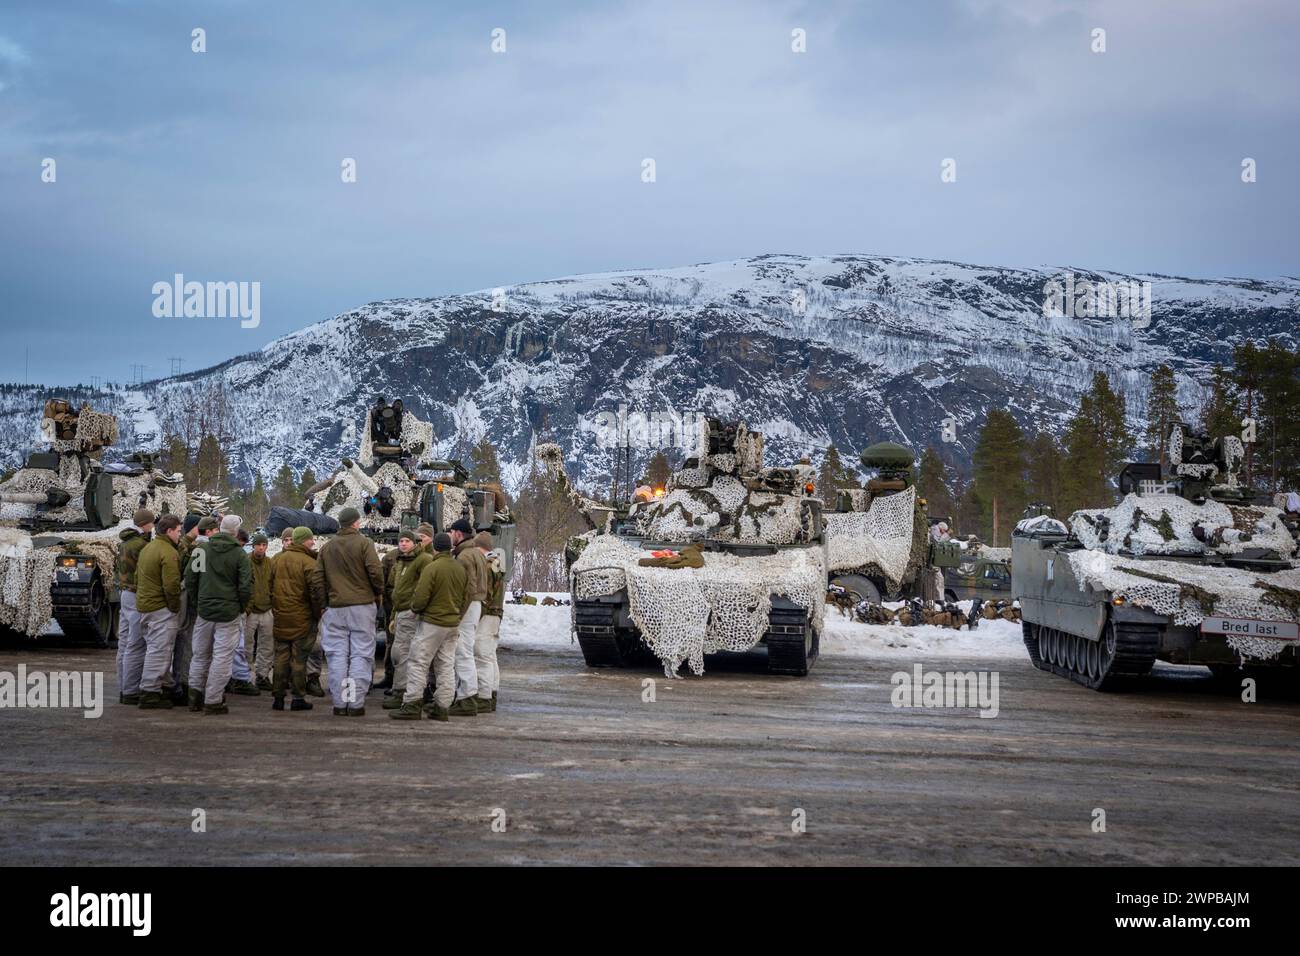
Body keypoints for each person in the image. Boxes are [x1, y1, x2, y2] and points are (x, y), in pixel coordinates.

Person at [312, 506, 384, 717]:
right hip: (362, 606)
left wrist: (325, 603)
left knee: (337, 656)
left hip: (335, 608)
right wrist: (376, 593)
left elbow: (317, 579)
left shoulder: (327, 548)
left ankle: (340, 702)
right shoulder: (364, 544)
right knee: (361, 654)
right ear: (355, 523)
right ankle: (355, 703)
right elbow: (375, 572)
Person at [391, 532, 465, 721]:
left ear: (436, 548)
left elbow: (421, 596)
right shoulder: (459, 568)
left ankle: (412, 704)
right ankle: (442, 706)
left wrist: (416, 609)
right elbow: (467, 595)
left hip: (432, 623)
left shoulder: (432, 568)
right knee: (446, 665)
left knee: (418, 662)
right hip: (452, 624)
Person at [186, 514, 254, 715]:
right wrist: (240, 607)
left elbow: (190, 579)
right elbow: (245, 587)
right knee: (222, 657)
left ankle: (194, 697)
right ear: (235, 532)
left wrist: (199, 602)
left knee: (199, 655)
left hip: (205, 611)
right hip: (229, 613)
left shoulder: (201, 550)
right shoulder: (240, 555)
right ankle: (213, 700)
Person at [268, 526, 321, 711]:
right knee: (299, 659)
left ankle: (278, 698)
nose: (313, 542)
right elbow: (315, 593)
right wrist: (317, 614)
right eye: (310, 539)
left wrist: (276, 608)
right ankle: (298, 697)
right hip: (302, 618)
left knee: (281, 657)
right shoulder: (309, 563)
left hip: (281, 616)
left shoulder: (278, 560)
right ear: (302, 541)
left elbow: (269, 587)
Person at [133, 514, 182, 709]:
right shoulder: (168, 552)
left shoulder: (147, 548)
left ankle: (162, 687)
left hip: (145, 606)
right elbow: (171, 585)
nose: (180, 535)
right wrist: (174, 606)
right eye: (178, 531)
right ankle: (150, 692)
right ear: (169, 531)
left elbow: (137, 577)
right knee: (159, 652)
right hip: (160, 608)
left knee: (154, 649)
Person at [381, 529, 432, 711]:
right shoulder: (402, 560)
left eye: (406, 541)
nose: (403, 544)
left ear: (415, 543)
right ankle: (404, 689)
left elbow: (425, 586)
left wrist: (415, 606)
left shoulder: (423, 560)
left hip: (411, 612)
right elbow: (398, 589)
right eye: (401, 541)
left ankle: (402, 691)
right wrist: (394, 613)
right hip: (401, 611)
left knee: (404, 653)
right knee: (398, 652)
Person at [448, 517, 488, 715]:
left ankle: (467, 697)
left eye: (452, 532)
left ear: (458, 534)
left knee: (462, 652)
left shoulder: (464, 556)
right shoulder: (475, 553)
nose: (450, 536)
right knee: (465, 650)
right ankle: (466, 695)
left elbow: (469, 588)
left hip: (468, 606)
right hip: (476, 605)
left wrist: (458, 613)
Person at [114, 509, 154, 705]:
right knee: (136, 644)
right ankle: (131, 690)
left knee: (124, 644)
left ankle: (123, 686)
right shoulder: (140, 545)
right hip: (136, 593)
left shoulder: (125, 542)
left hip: (124, 593)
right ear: (145, 524)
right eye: (151, 523)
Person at [473, 532, 506, 713]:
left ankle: (483, 697)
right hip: (495, 613)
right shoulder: (496, 563)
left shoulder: (486, 565)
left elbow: (485, 593)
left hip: (487, 613)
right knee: (490, 656)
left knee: (481, 655)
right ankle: (491, 693)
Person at [244, 533, 275, 690]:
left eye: (264, 545)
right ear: (253, 546)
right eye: (258, 545)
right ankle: (246, 676)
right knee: (247, 645)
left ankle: (262, 675)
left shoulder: (270, 562)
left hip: (267, 609)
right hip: (251, 611)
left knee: (267, 645)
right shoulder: (246, 561)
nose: (261, 548)